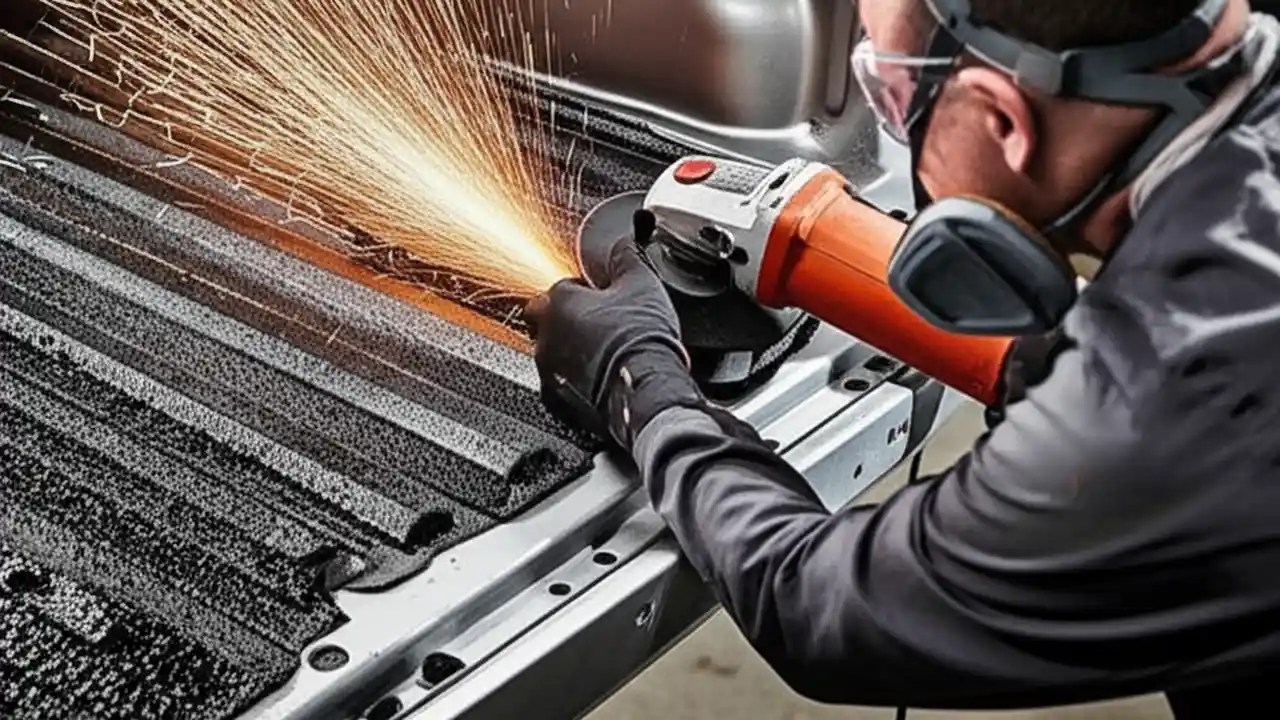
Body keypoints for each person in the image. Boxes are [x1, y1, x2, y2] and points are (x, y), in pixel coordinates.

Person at [525, 0, 1280, 717]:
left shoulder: (1177, 388)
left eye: (888, 96)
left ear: (1002, 119)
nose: (894, 127)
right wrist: (1054, 362)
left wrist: (643, 383)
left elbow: (817, 602)